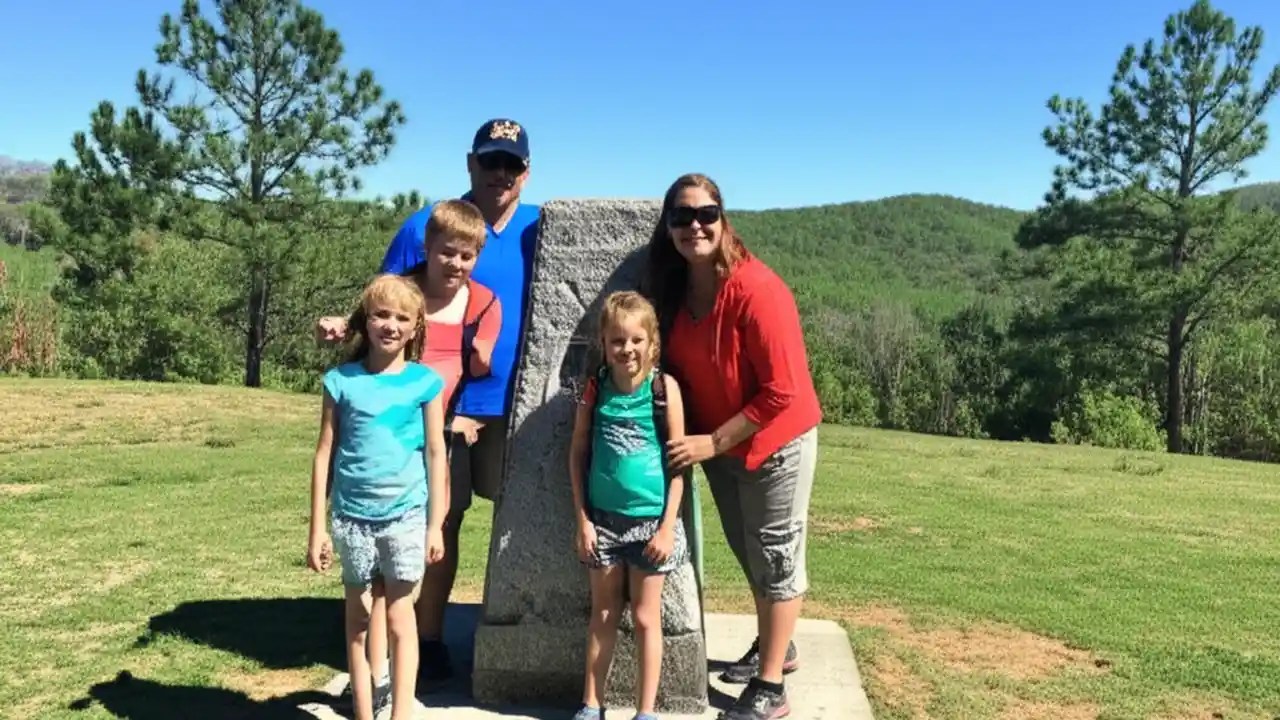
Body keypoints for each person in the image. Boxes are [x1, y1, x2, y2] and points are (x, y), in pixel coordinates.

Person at [317, 118, 538, 681]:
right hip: (439, 413)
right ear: (470, 164)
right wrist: (347, 324)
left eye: (511, 165)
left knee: (526, 518)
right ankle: (426, 637)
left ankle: (524, 634)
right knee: (441, 520)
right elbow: (385, 298)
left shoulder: (542, 225)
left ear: (526, 173)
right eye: (490, 162)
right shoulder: (427, 224)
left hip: (518, 406)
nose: (500, 174)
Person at [643, 174, 821, 720]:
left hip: (774, 441)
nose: (694, 225)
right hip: (717, 444)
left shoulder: (757, 289)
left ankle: (770, 689)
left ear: (723, 219)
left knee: (775, 555)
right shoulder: (676, 289)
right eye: (681, 216)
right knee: (750, 552)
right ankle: (778, 647)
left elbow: (782, 391)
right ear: (668, 225)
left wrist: (711, 441)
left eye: (706, 214)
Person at [318, 198, 502, 697]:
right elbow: (365, 326)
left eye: (466, 256)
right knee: (375, 579)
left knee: (436, 539)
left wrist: (470, 413)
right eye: (446, 252)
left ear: (477, 256)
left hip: (444, 433)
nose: (455, 264)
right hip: (383, 435)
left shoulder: (485, 302)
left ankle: (429, 637)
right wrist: (336, 326)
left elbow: (486, 368)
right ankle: (377, 674)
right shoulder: (402, 294)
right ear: (428, 247)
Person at [307, 274, 449, 720]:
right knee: (360, 617)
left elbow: (435, 453)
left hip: (405, 516)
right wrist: (317, 529)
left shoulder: (424, 383)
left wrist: (434, 524)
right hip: (352, 518)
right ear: (364, 322)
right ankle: (365, 710)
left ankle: (400, 712)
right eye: (380, 315)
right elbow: (324, 454)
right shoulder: (341, 381)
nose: (390, 325)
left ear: (416, 327)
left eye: (401, 318)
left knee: (399, 617)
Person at [569, 291, 688, 720]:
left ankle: (646, 710)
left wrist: (666, 527)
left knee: (644, 617)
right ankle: (592, 703)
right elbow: (578, 452)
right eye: (618, 341)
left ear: (652, 343)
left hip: (651, 523)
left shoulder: (663, 389)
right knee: (602, 613)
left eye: (636, 340)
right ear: (604, 342)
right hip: (603, 522)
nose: (627, 349)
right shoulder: (595, 387)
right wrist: (582, 520)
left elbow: (679, 466)